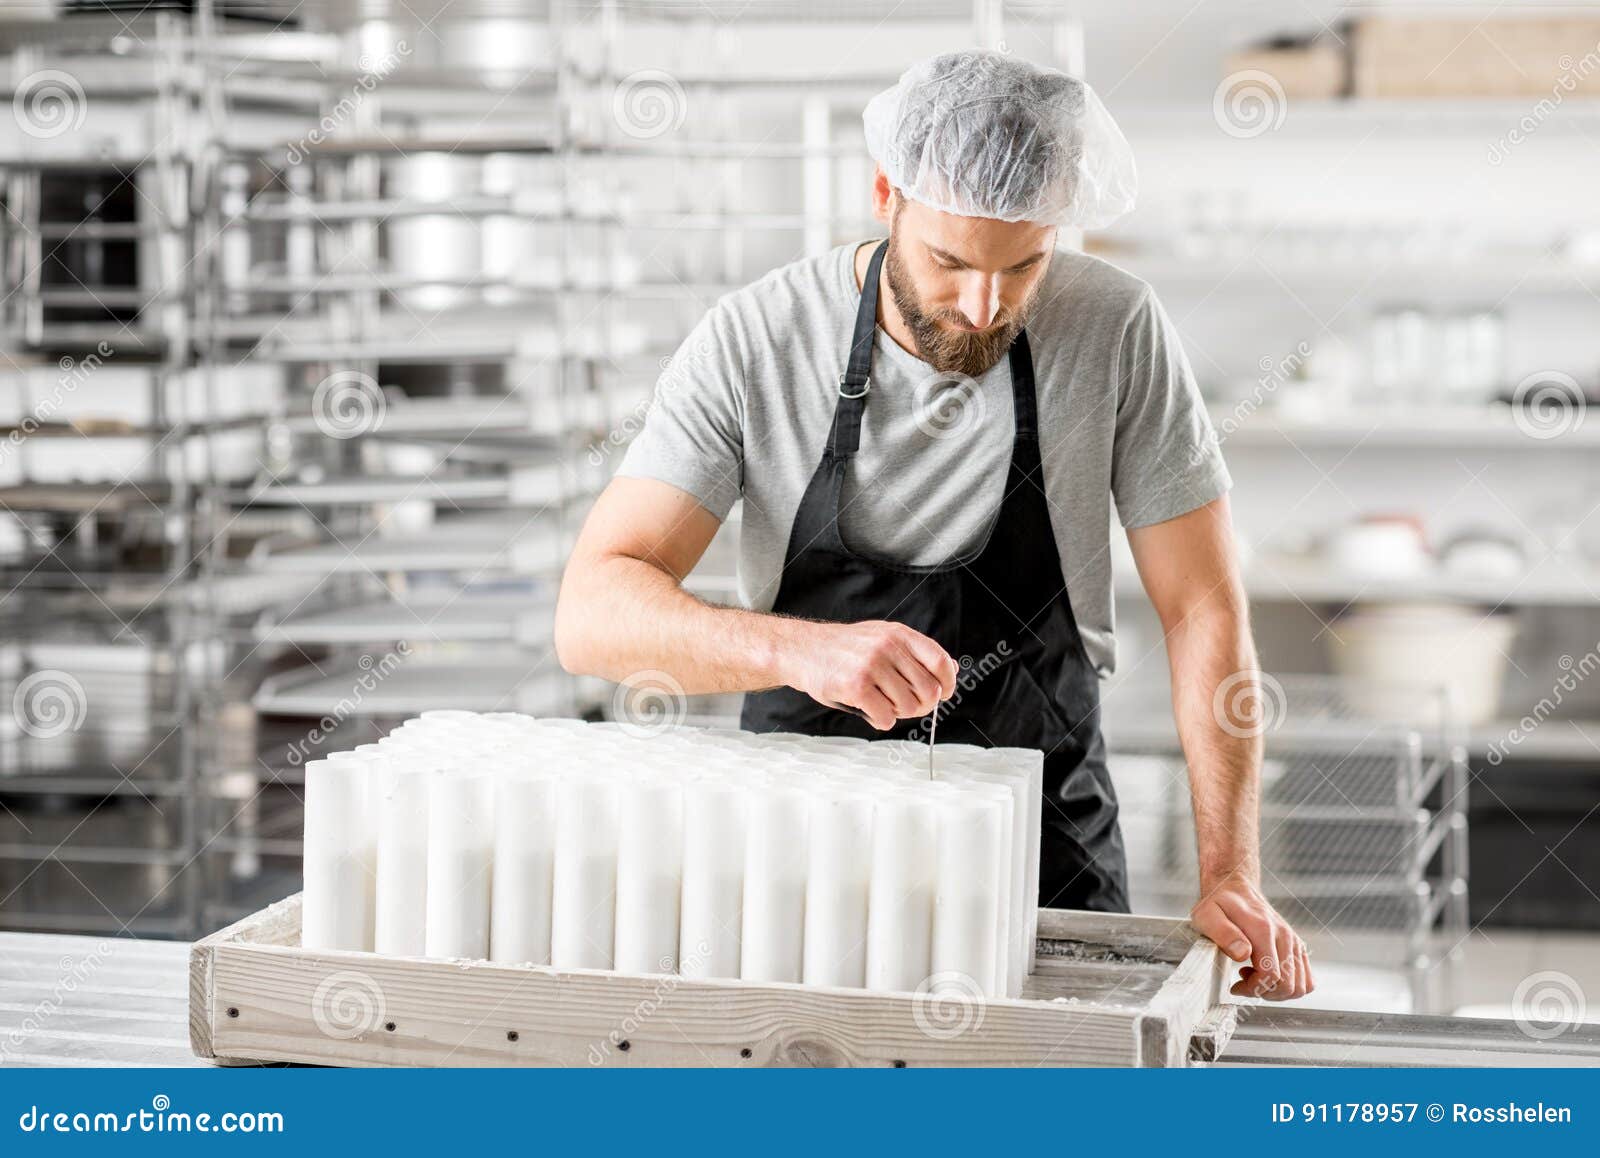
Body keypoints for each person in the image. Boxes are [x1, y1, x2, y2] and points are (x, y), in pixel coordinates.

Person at [556, 49, 1312, 1000]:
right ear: (886, 195)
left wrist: (1229, 874)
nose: (984, 307)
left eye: (1024, 263)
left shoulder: (1115, 327)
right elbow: (592, 611)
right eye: (950, 261)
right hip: (802, 852)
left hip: (1043, 844)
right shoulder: (757, 338)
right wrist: (802, 653)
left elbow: (1203, 606)